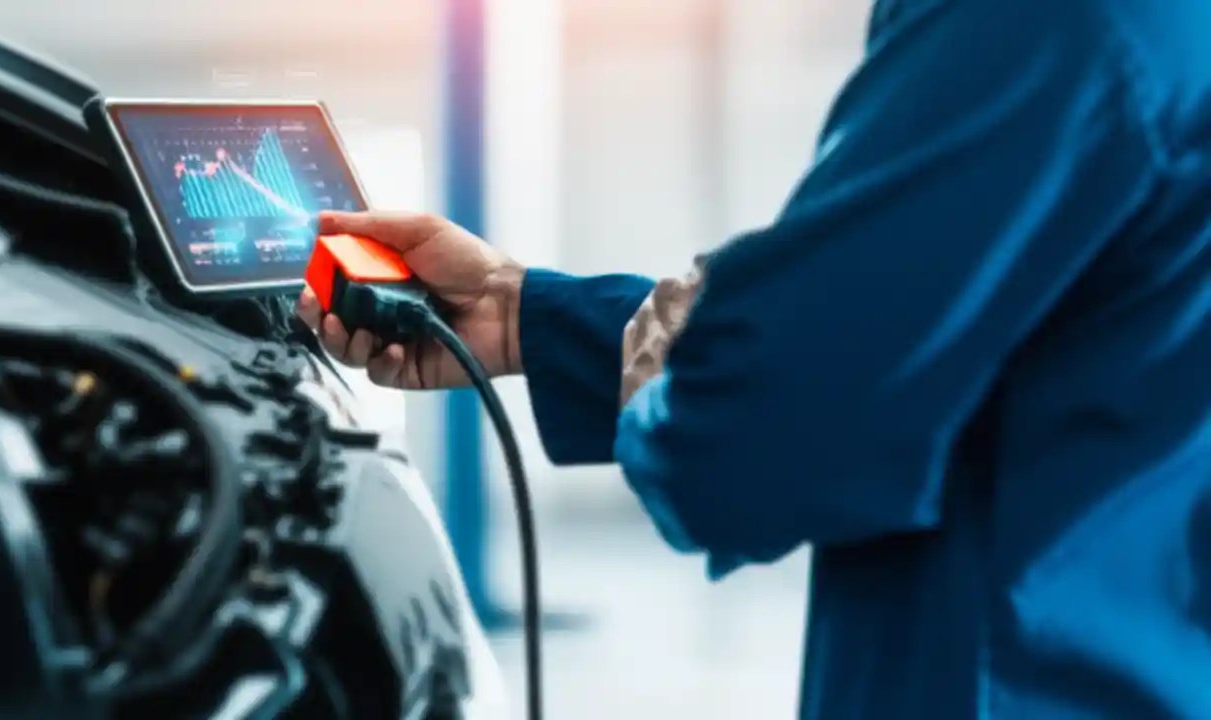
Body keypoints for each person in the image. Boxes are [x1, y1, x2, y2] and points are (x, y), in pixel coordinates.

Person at [299, 0, 1211, 716]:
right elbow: (948, 326)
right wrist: (517, 310)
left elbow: (758, 431)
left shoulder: (1045, 21)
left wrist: (714, 387)